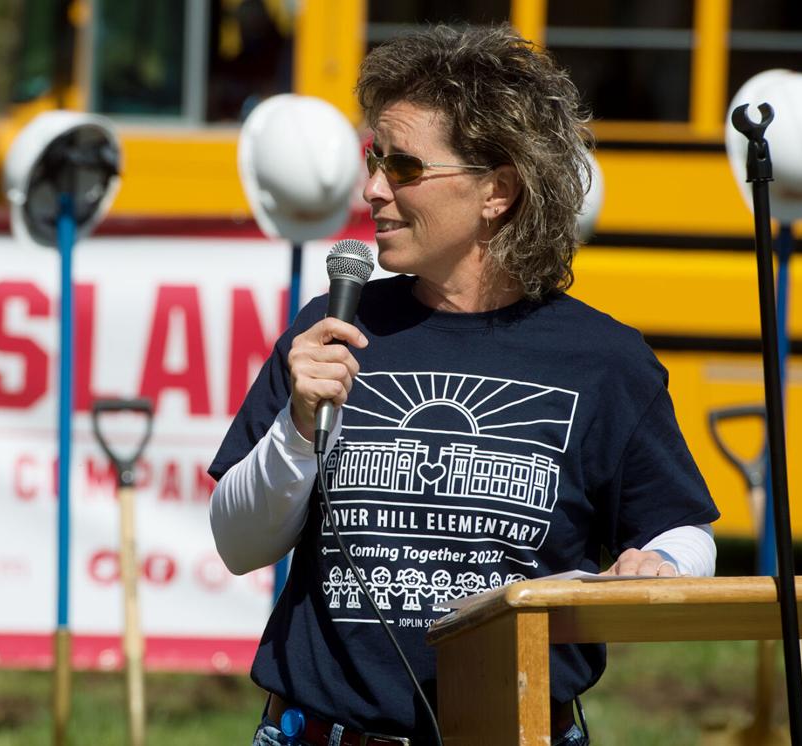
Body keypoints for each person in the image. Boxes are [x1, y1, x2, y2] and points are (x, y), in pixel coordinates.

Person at [209, 23, 719, 746]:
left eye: (405, 167)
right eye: (373, 159)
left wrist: (663, 562)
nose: (373, 189)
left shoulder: (606, 361)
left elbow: (682, 528)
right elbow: (236, 543)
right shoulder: (329, 331)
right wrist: (296, 426)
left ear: (497, 191)